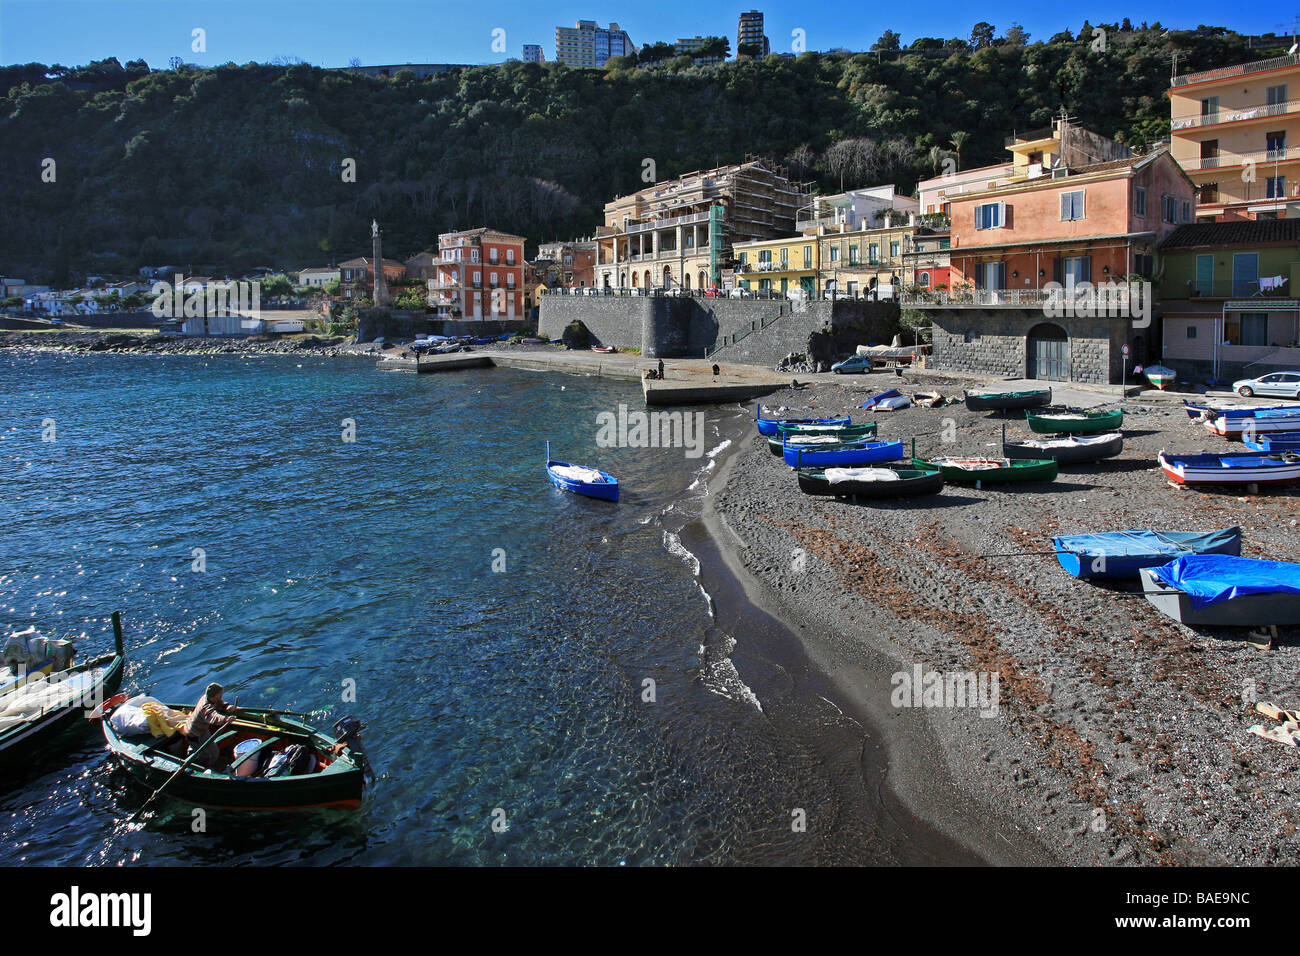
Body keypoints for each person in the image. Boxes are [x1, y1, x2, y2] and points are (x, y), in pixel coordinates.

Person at [186, 682, 237, 767]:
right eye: (220, 694)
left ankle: (193, 751)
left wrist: (226, 707)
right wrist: (226, 719)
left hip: (200, 729)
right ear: (214, 696)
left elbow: (218, 703)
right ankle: (208, 767)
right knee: (214, 753)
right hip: (195, 733)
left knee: (201, 747)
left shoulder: (208, 697)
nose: (221, 696)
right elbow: (212, 715)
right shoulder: (205, 707)